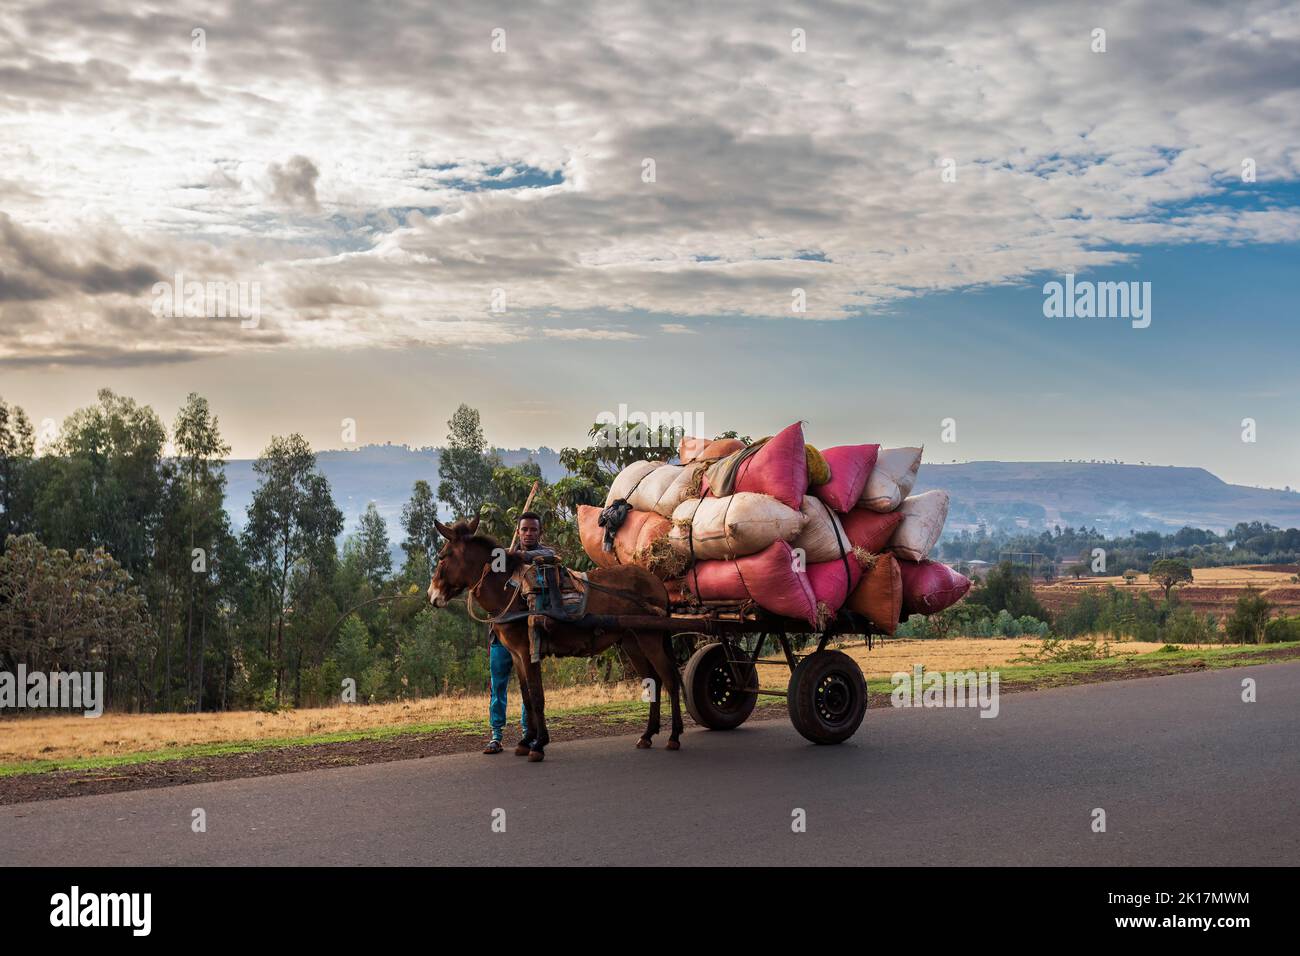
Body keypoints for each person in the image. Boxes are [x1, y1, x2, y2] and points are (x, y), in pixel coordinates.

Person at [483, 512, 558, 754]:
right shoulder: (504, 558)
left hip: (524, 634)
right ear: (518, 532)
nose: (528, 534)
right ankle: (496, 734)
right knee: (498, 685)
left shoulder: (544, 555)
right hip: (500, 634)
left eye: (533, 530)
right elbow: (487, 579)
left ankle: (530, 731)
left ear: (539, 533)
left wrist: (520, 556)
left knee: (528, 682)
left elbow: (549, 556)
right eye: (524, 529)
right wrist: (502, 558)